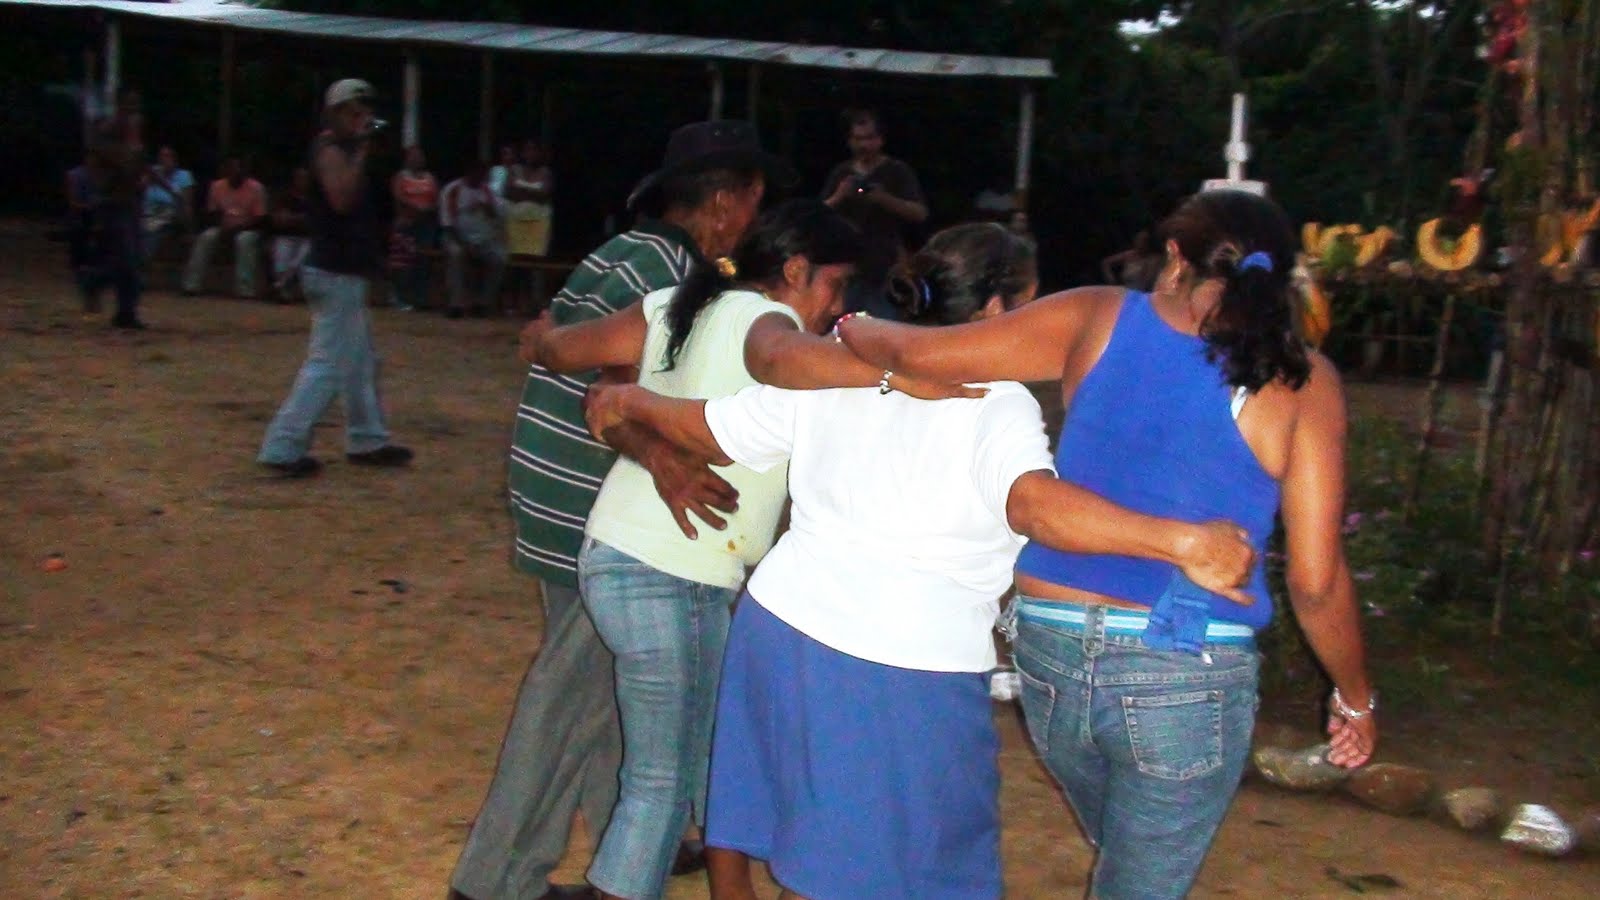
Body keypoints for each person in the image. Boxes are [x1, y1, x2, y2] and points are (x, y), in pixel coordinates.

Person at [578, 222, 1256, 900]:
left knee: (780, 815)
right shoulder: (994, 400)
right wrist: (1184, 542)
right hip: (898, 667)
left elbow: (714, 426)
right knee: (893, 863)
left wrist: (629, 399)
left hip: (777, 628)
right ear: (998, 310)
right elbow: (1032, 507)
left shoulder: (846, 368)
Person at [839, 190, 1378, 900]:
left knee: (1130, 864)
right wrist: (1356, 696)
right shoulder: (1303, 381)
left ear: (1178, 257)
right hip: (1185, 669)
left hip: (1049, 649)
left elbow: (928, 353)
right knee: (1140, 878)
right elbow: (1316, 580)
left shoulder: (1095, 315)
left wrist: (853, 325)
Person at [523, 200, 998, 900]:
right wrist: (902, 371)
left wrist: (541, 337)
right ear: (796, 269)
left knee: (690, 761)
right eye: (833, 288)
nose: (836, 308)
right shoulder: (762, 321)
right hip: (673, 569)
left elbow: (567, 355)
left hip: (619, 550)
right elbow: (780, 356)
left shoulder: (670, 303)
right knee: (662, 779)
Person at [448, 119, 791, 900]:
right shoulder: (665, 272)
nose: (760, 220)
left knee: (613, 683)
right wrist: (663, 458)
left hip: (560, 492)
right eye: (756, 201)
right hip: (590, 505)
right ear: (723, 205)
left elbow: (561, 350)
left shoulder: (638, 254)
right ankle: (494, 881)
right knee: (570, 694)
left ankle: (631, 839)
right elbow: (597, 391)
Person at [255, 78, 412, 478]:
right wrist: (361, 149)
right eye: (353, 112)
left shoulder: (344, 149)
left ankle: (367, 438)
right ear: (334, 114)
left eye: (364, 112)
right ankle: (282, 447)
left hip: (343, 271)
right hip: (334, 271)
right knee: (328, 364)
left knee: (359, 361)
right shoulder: (330, 150)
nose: (362, 119)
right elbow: (340, 199)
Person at [821, 109, 927, 319]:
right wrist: (840, 195)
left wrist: (884, 199)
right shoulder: (841, 172)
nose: (863, 145)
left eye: (869, 138)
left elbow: (920, 212)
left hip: (885, 268)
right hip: (848, 268)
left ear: (880, 140)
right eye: (858, 139)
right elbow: (818, 212)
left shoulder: (897, 171)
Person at [82, 87, 148, 329]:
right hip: (112, 203)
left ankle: (126, 312)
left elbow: (139, 165)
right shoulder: (108, 132)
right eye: (129, 106)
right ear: (120, 106)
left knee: (133, 260)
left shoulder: (132, 134)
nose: (133, 112)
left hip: (131, 202)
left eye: (136, 107)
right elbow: (114, 164)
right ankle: (93, 281)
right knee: (125, 259)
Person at [182, 155, 268, 298]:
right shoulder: (217, 186)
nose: (236, 172)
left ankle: (245, 289)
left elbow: (260, 218)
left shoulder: (257, 188)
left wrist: (238, 227)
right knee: (206, 237)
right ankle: (191, 285)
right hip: (223, 226)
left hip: (248, 229)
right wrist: (223, 226)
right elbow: (212, 213)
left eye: (239, 168)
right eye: (233, 168)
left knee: (244, 241)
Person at [440, 159, 507, 318]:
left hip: (484, 241)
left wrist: (488, 208)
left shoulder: (488, 192)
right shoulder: (452, 190)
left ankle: (483, 303)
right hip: (457, 238)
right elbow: (447, 224)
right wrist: (465, 244)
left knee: (499, 258)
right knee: (456, 254)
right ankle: (455, 304)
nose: (480, 178)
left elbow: (498, 219)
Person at [390, 145, 439, 310]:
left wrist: (427, 209)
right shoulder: (401, 176)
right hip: (406, 223)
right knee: (403, 262)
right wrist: (414, 208)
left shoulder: (429, 177)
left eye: (419, 155)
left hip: (425, 225)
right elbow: (398, 196)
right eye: (413, 155)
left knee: (423, 261)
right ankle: (399, 296)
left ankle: (420, 298)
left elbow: (435, 199)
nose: (417, 158)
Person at [142, 145, 195, 262]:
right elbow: (139, 191)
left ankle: (145, 261)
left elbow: (185, 202)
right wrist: (147, 180)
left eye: (167, 156)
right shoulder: (153, 174)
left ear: (174, 159)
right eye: (161, 156)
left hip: (168, 217)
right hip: (147, 216)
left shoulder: (184, 176)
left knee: (153, 233)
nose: (164, 159)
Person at [269, 167, 313, 301]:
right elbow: (279, 220)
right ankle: (283, 292)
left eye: (305, 178)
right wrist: (300, 218)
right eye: (299, 178)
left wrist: (292, 218)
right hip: (285, 236)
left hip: (308, 239)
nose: (302, 181)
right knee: (281, 263)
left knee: (299, 260)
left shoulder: (316, 198)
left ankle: (279, 285)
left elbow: (315, 221)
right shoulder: (285, 196)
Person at [505, 139, 555, 257]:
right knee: (514, 256)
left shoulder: (545, 172)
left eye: (534, 150)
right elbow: (510, 193)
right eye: (528, 150)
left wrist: (522, 191)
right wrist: (534, 192)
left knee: (536, 256)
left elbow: (544, 195)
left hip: (539, 220)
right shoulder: (514, 170)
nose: (531, 153)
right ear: (522, 153)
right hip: (515, 219)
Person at [65, 154, 100, 313]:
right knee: (82, 263)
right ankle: (88, 296)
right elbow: (74, 203)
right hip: (82, 222)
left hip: (97, 222)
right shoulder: (75, 175)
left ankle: (91, 296)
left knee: (92, 263)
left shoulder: (104, 177)